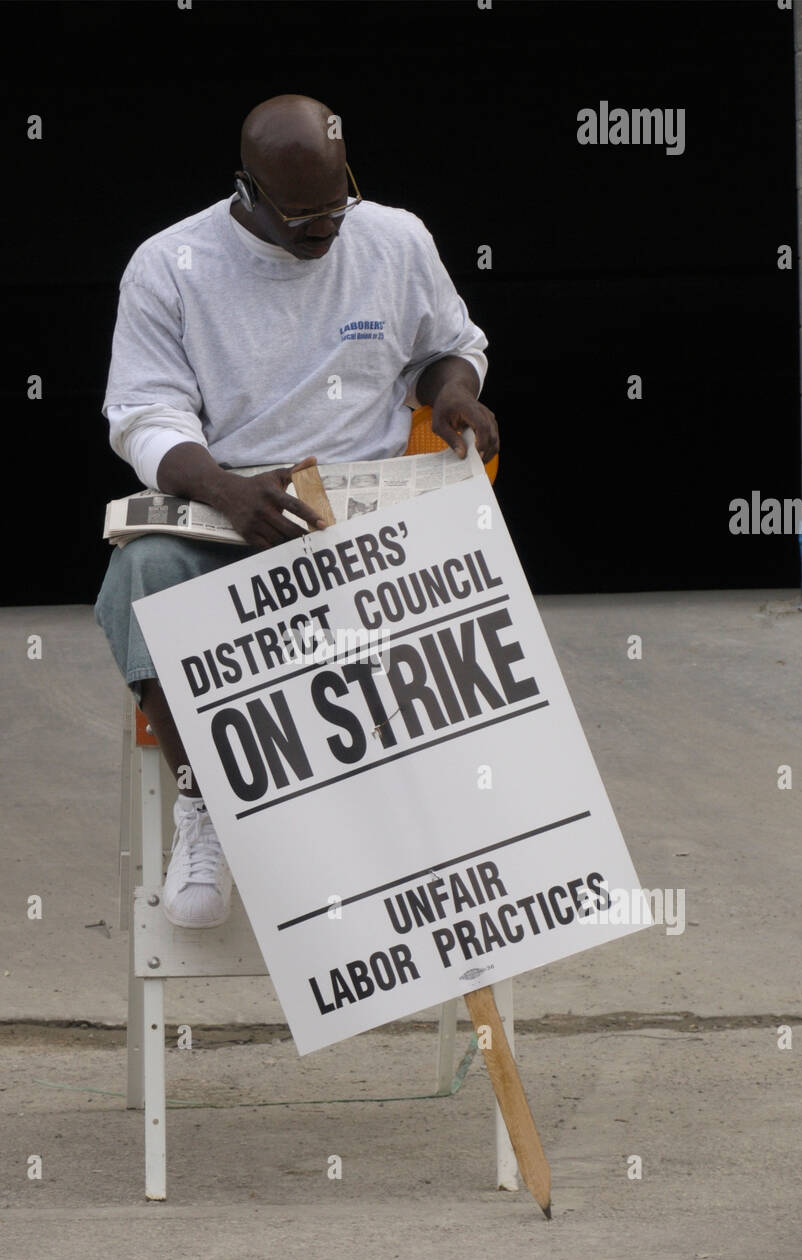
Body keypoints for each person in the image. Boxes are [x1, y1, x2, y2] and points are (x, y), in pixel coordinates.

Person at [95, 94, 499, 929]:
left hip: (367, 511)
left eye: (335, 206)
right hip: (237, 505)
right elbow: (144, 415)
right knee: (141, 574)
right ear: (246, 189)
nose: (324, 232)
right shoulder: (169, 265)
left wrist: (454, 393)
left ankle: (455, 831)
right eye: (302, 217)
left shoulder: (392, 237)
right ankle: (205, 803)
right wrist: (225, 492)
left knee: (475, 568)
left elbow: (444, 347)